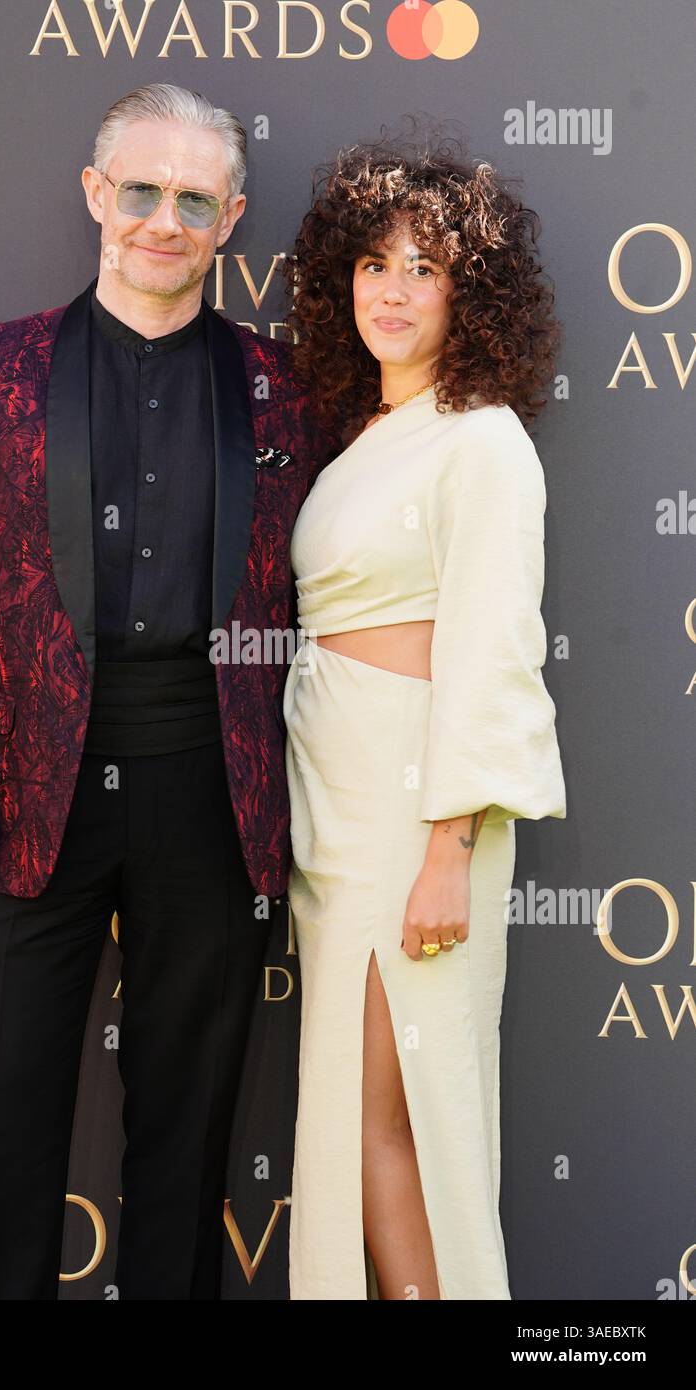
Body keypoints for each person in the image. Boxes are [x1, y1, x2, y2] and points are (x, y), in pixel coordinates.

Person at [0, 82, 330, 1300]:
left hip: (216, 794)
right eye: (139, 189)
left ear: (231, 218)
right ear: (95, 194)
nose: (162, 218)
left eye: (194, 198)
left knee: (188, 1134)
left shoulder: (286, 389)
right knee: (9, 1121)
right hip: (29, 795)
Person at [279, 129, 567, 1300]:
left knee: (401, 1120)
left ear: (473, 294)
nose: (391, 290)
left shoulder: (482, 440)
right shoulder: (366, 439)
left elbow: (493, 647)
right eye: (374, 263)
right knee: (354, 1125)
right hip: (335, 817)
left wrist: (448, 846)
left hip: (414, 822)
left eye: (426, 267)